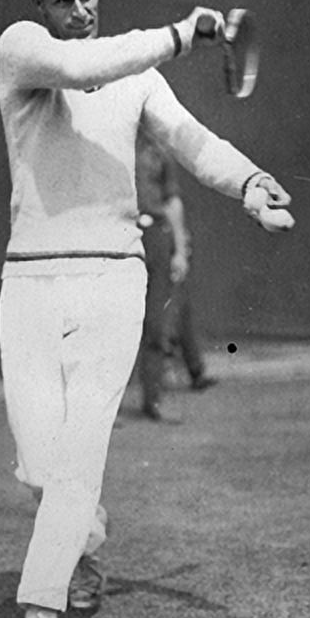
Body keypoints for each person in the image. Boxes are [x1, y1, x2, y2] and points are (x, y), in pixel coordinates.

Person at [0, 0, 294, 618]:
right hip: (29, 280)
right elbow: (80, 68)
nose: (81, 9)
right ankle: (83, 543)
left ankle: (39, 616)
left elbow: (194, 143)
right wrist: (176, 35)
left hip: (113, 278)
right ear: (39, 5)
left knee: (78, 454)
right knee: (38, 463)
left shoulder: (139, 77)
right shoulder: (23, 50)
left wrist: (250, 181)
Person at [135, 136, 216, 421]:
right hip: (119, 235)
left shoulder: (158, 150)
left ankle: (153, 400)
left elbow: (171, 201)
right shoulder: (110, 142)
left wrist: (180, 250)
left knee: (158, 322)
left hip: (156, 236)